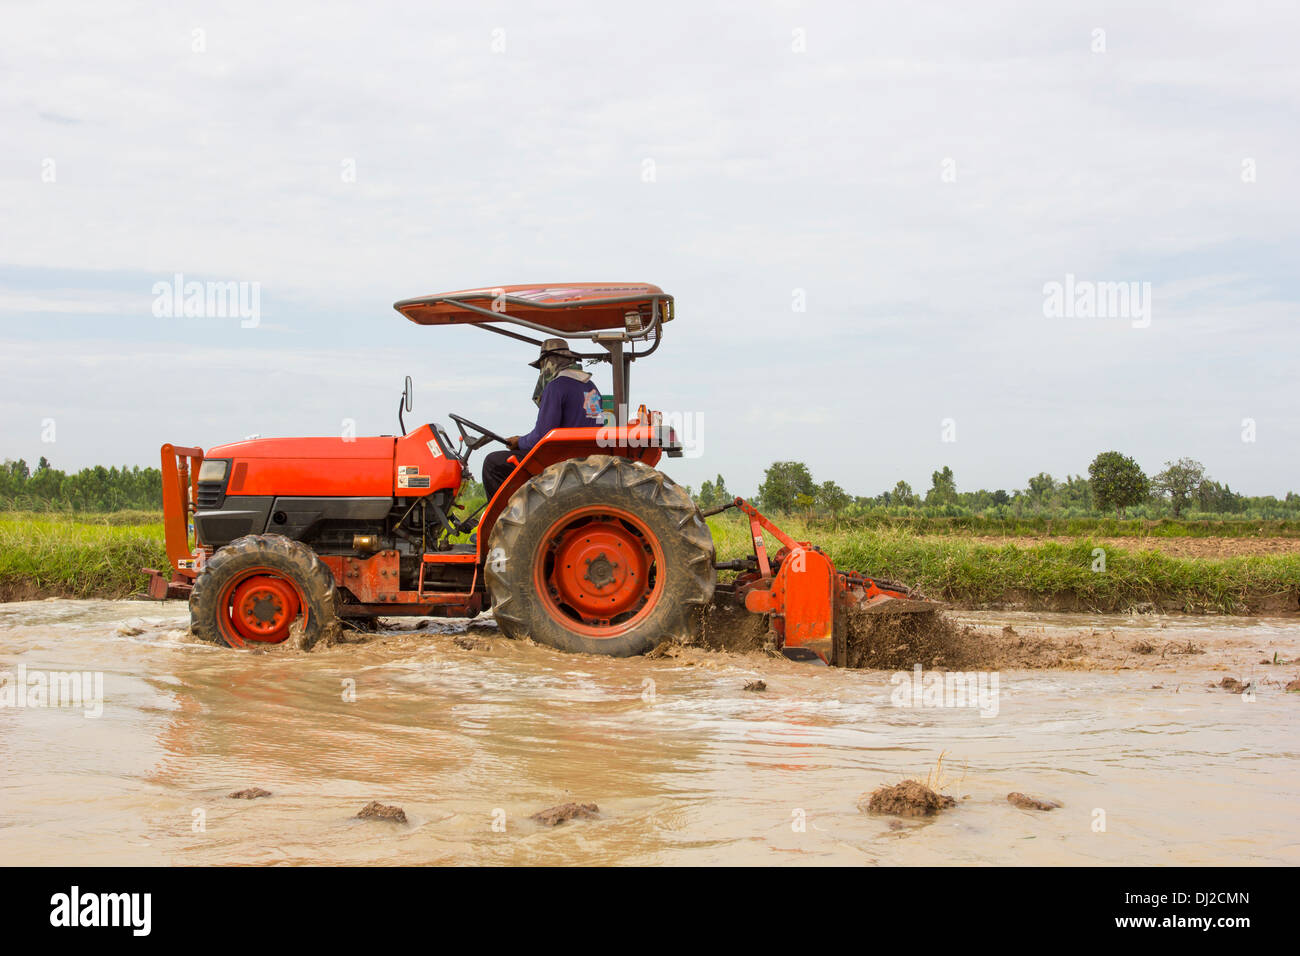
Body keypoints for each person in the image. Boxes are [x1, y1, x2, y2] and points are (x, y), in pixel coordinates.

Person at [481, 338, 604, 500]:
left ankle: (505, 517)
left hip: (560, 459)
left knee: (493, 462)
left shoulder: (557, 386)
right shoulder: (591, 387)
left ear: (549, 363)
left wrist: (519, 441)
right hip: (586, 456)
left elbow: (542, 436)